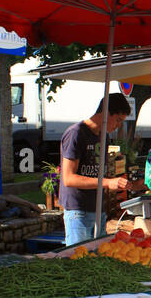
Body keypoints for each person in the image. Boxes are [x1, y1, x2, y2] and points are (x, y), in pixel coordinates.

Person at [58, 94, 141, 246]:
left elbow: (100, 173)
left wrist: (130, 184)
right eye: (117, 120)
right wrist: (108, 182)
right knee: (79, 259)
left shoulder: (103, 136)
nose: (118, 126)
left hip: (98, 209)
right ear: (105, 113)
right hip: (78, 210)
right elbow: (68, 178)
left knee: (97, 258)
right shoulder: (76, 133)